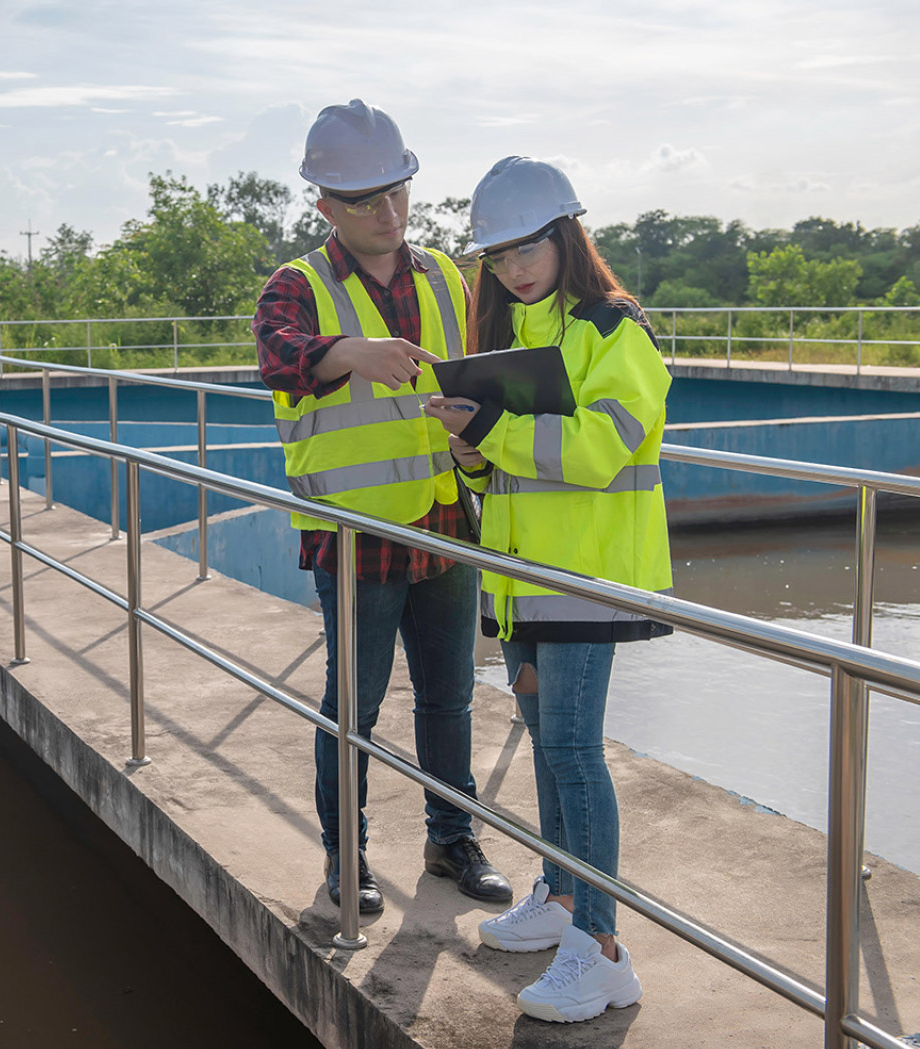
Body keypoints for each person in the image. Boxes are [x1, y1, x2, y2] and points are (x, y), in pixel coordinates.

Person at [423, 155, 673, 1023]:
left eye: (527, 246)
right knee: (546, 745)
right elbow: (514, 478)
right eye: (496, 255)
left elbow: (604, 451)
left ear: (565, 234)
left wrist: (495, 428)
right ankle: (563, 899)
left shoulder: (614, 327)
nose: (513, 267)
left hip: (588, 582)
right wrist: (470, 452)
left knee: (571, 751)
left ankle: (601, 949)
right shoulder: (520, 337)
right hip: (523, 581)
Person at [253, 100, 511, 916]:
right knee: (353, 709)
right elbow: (276, 356)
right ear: (323, 204)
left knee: (448, 696)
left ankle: (451, 838)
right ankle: (348, 858)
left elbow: (485, 367)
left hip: (444, 517)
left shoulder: (443, 274)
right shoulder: (297, 285)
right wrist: (342, 354)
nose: (389, 213)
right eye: (366, 200)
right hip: (356, 531)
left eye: (397, 192)